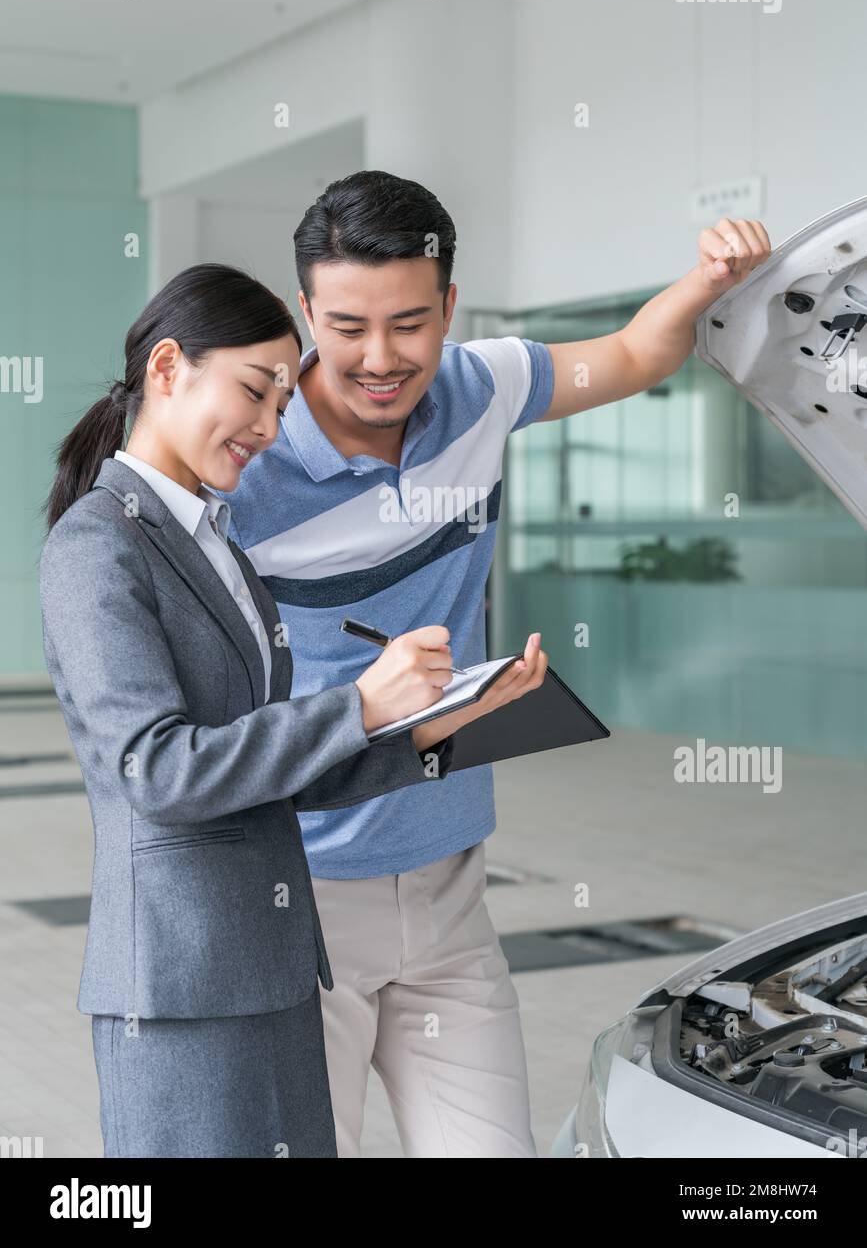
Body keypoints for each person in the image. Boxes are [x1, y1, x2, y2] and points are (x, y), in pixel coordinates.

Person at [221, 170, 772, 1157]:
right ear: (306, 311)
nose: (380, 359)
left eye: (409, 323)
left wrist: (704, 279)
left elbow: (638, 353)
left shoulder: (481, 387)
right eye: (346, 326)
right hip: (296, 900)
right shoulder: (248, 463)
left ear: (449, 307)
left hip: (450, 883)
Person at [38, 262, 547, 1158]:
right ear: (167, 368)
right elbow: (157, 773)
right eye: (253, 391)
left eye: (281, 401)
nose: (269, 429)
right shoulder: (96, 547)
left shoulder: (216, 542)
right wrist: (357, 702)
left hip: (273, 967)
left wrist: (428, 730)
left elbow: (267, 773)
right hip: (183, 985)